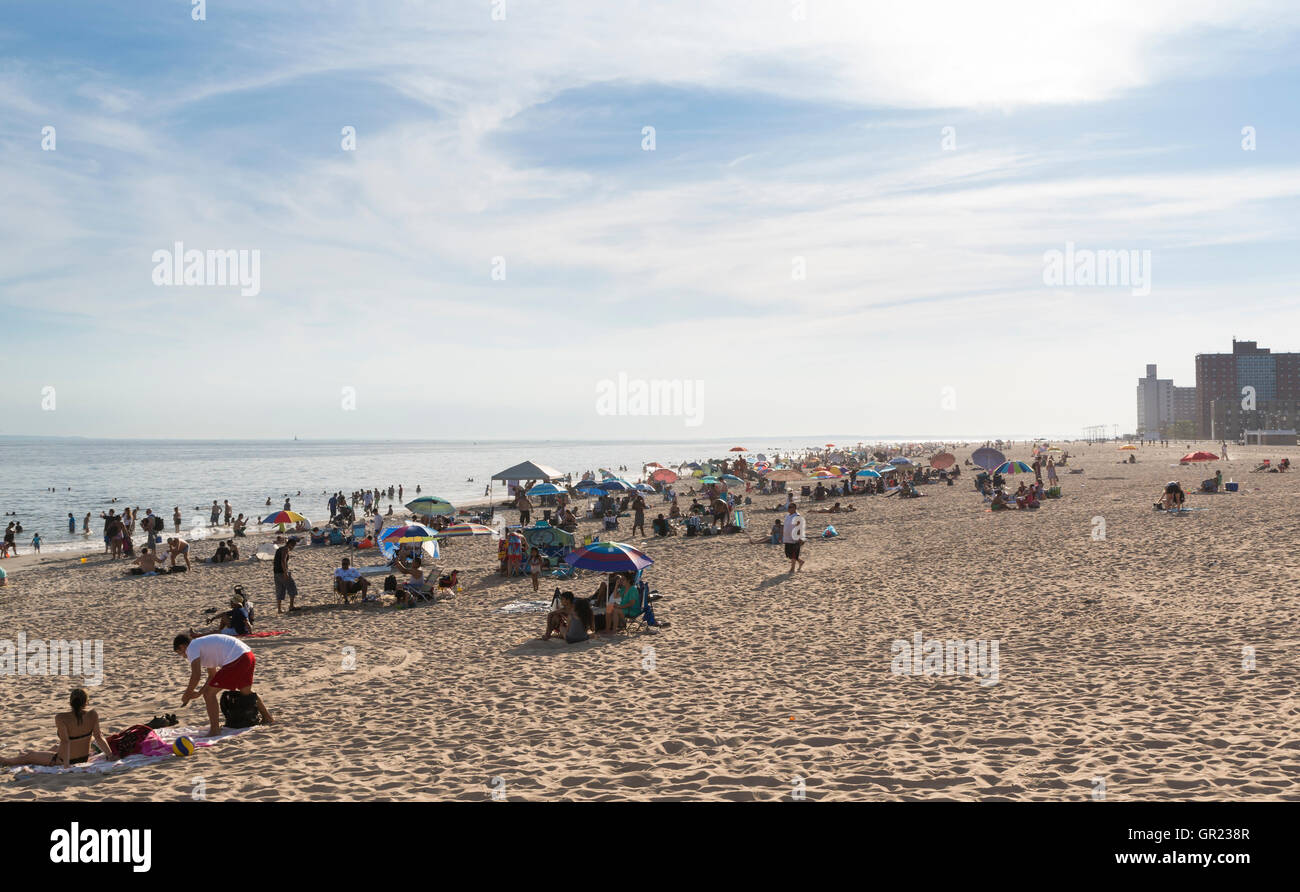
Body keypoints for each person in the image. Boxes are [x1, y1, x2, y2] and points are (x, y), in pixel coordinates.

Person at [173, 633, 272, 738]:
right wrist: (198, 693)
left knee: (209, 695)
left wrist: (187, 694)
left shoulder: (192, 647)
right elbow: (212, 676)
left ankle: (215, 730)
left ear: (182, 647)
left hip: (236, 658)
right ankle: (267, 717)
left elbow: (196, 675)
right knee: (245, 691)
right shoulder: (203, 646)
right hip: (248, 655)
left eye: (180, 653)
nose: (183, 656)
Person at [0, 689, 116, 768]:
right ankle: (27, 754)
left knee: (30, 757)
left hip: (64, 760)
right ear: (86, 702)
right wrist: (110, 755)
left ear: (70, 702)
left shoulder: (61, 718)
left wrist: (66, 765)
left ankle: (6, 761)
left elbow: (66, 742)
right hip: (83, 758)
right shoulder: (93, 715)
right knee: (56, 746)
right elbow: (99, 737)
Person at [273, 536, 298, 613]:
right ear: (290, 544)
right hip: (282, 572)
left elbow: (275, 561)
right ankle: (291, 606)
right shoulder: (285, 549)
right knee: (292, 588)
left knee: (280, 590)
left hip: (276, 572)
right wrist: (285, 572)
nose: (293, 548)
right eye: (293, 546)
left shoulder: (279, 549)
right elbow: (283, 561)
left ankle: (279, 609)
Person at [782, 502, 806, 572]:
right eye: (788, 507)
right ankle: (800, 561)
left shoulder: (797, 516)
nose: (789, 508)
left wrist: (800, 538)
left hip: (795, 538)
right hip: (787, 538)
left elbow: (800, 527)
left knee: (793, 553)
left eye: (790, 507)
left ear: (795, 508)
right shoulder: (787, 516)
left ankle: (792, 568)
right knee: (788, 554)